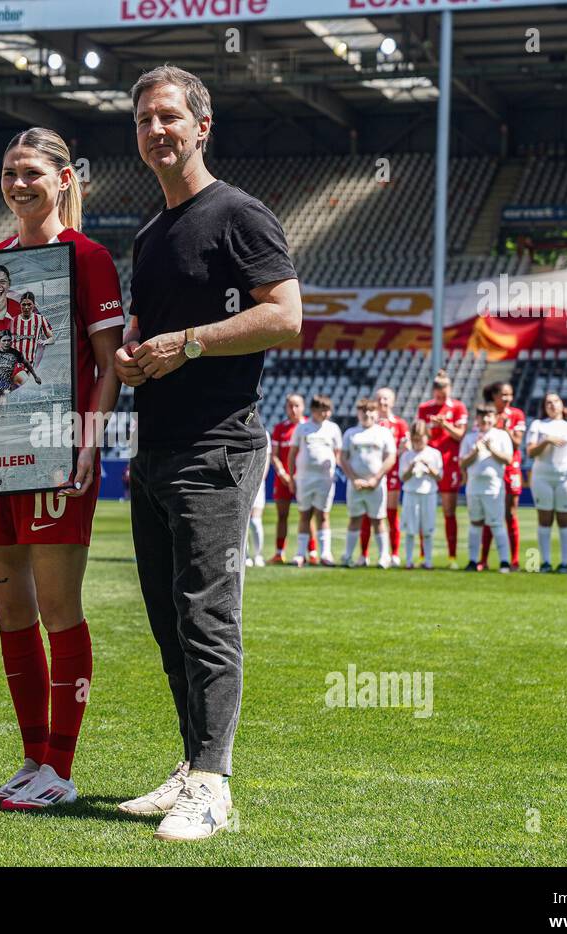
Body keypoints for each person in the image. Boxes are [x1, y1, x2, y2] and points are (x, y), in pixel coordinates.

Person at [114, 65, 303, 841]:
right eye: (144, 121)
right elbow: (143, 326)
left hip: (218, 447)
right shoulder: (151, 232)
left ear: (202, 125)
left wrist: (188, 343)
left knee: (206, 617)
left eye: (169, 117)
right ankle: (193, 763)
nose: (156, 131)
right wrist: (132, 351)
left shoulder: (240, 214)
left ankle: (215, 785)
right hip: (153, 446)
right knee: (168, 621)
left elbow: (287, 317)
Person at [0, 127, 126, 812]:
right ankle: (31, 760)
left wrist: (88, 443)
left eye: (31, 171)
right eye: (8, 172)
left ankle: (60, 770)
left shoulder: (88, 258)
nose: (18, 184)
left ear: (64, 178)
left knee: (59, 610)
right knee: (10, 612)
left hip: (57, 455)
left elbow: (110, 365)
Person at [525, 392, 567, 573]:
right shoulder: (538, 425)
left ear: (562, 404)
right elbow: (530, 452)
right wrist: (546, 441)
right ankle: (545, 562)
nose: (552, 405)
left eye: (556, 401)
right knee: (544, 519)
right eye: (548, 402)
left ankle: (565, 563)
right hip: (543, 477)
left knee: (565, 519)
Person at [416, 371, 468, 569]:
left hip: (449, 463)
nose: (441, 397)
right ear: (433, 391)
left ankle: (452, 557)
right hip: (428, 463)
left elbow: (460, 435)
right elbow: (421, 434)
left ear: (450, 389)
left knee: (449, 511)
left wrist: (444, 424)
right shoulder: (424, 408)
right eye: (438, 393)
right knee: (424, 511)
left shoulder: (458, 407)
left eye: (444, 393)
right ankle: (423, 556)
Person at [341, 398, 398, 569]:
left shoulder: (383, 433)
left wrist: (376, 478)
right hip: (356, 485)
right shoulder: (351, 433)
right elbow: (343, 458)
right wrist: (353, 479)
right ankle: (348, 556)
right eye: (363, 410)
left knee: (378, 519)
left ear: (376, 412)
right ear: (358, 413)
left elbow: (391, 457)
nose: (366, 414)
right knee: (354, 519)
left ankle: (383, 557)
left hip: (376, 485)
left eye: (370, 410)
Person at [459, 403, 514, 573]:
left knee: (496, 523)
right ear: (476, 418)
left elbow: (508, 459)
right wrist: (475, 451)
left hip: (494, 487)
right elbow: (462, 463)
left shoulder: (502, 436)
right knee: (475, 523)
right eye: (482, 415)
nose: (485, 419)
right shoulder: (470, 438)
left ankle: (505, 562)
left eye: (489, 415)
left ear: (495, 418)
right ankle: (472, 561)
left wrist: (492, 449)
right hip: (474, 486)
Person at [290, 395, 342, 566]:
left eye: (328, 410)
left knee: (323, 514)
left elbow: (338, 454)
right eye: (323, 410)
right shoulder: (302, 428)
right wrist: (292, 476)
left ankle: (325, 554)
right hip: (304, 478)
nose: (327, 414)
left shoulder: (333, 428)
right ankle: (300, 554)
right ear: (313, 410)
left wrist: (335, 470)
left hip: (325, 479)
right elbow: (292, 454)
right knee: (304, 514)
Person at [360, 387, 409, 567]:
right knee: (366, 513)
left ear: (393, 402)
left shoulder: (400, 424)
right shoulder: (369, 423)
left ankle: (393, 554)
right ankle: (363, 554)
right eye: (379, 399)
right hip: (370, 473)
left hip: (392, 471)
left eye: (386, 399)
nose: (382, 402)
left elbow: (405, 448)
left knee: (390, 513)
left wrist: (405, 447)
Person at [479, 381, 525, 570]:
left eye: (509, 394)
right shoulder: (488, 415)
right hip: (490, 469)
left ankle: (514, 560)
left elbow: (517, 444)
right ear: (494, 396)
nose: (506, 398)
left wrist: (505, 429)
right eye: (503, 395)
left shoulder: (516, 415)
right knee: (489, 515)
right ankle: (483, 559)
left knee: (510, 513)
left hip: (510, 468)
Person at [268, 393, 312, 564]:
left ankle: (312, 552)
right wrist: (283, 474)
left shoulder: (309, 426)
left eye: (297, 405)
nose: (293, 409)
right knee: (282, 515)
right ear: (286, 408)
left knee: (307, 514)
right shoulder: (280, 428)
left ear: (303, 407)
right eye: (290, 406)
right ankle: (279, 552)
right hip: (284, 479)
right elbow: (275, 456)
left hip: (304, 478)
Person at [399, 421, 443, 570]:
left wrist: (428, 468)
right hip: (411, 493)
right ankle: (409, 560)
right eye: (415, 438)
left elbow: (439, 476)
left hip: (429, 493)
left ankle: (428, 560)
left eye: (421, 438)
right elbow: (403, 477)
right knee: (410, 529)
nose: (418, 442)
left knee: (428, 529)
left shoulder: (434, 454)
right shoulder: (407, 455)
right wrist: (411, 467)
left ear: (427, 436)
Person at [0, 329, 41, 409]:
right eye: (4, 340)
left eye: (9, 340)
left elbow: (26, 363)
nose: (6, 343)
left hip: (6, 385)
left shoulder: (15, 353)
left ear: (11, 341)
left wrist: (35, 376)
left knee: (0, 407)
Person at [14, 290, 54, 366]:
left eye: (29, 304)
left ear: (33, 305)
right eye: (24, 304)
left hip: (30, 364)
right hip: (15, 364)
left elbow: (51, 338)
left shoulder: (40, 318)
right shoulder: (13, 320)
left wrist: (44, 342)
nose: (26, 307)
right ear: (20, 305)